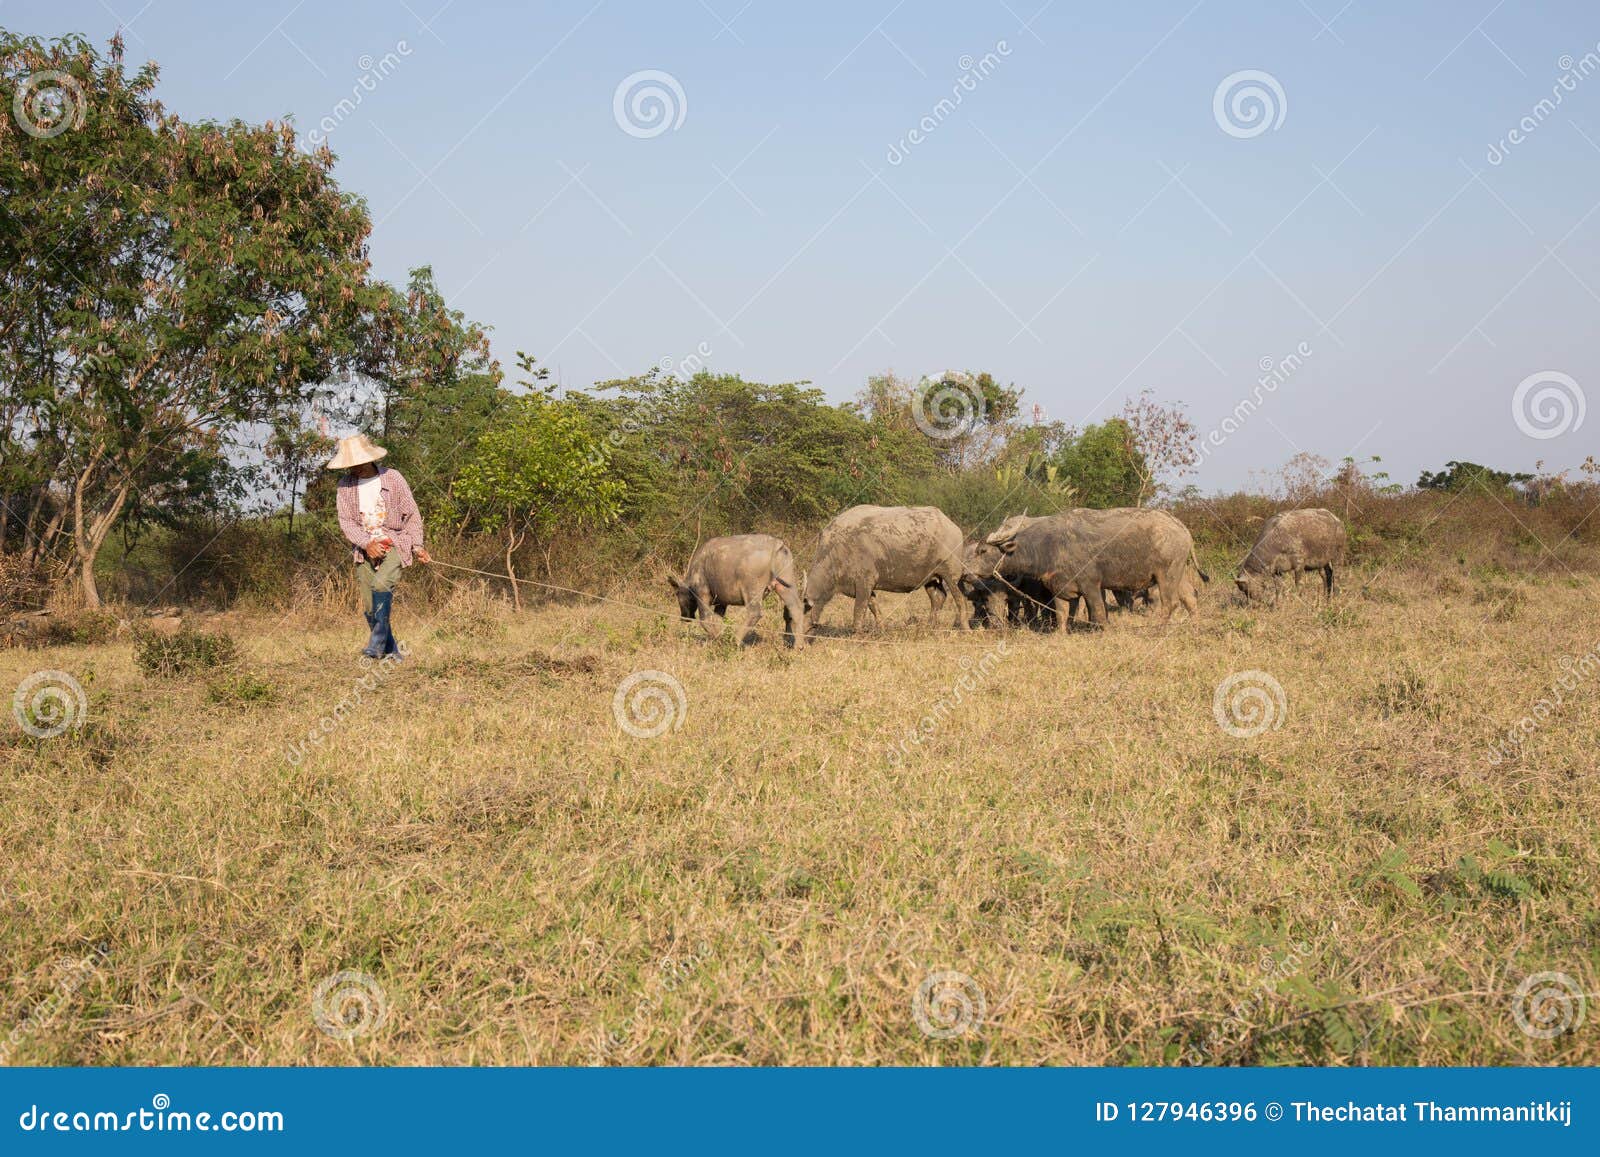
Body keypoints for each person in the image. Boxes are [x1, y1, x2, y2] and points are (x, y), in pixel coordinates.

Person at [328, 435, 430, 660]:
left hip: (394, 542)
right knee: (369, 604)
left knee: (381, 584)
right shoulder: (345, 486)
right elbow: (347, 522)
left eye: (356, 463)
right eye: (349, 464)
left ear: (368, 459)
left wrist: (417, 545)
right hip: (364, 549)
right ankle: (392, 652)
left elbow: (411, 515)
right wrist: (366, 544)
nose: (352, 468)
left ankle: (375, 645)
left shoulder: (392, 478)